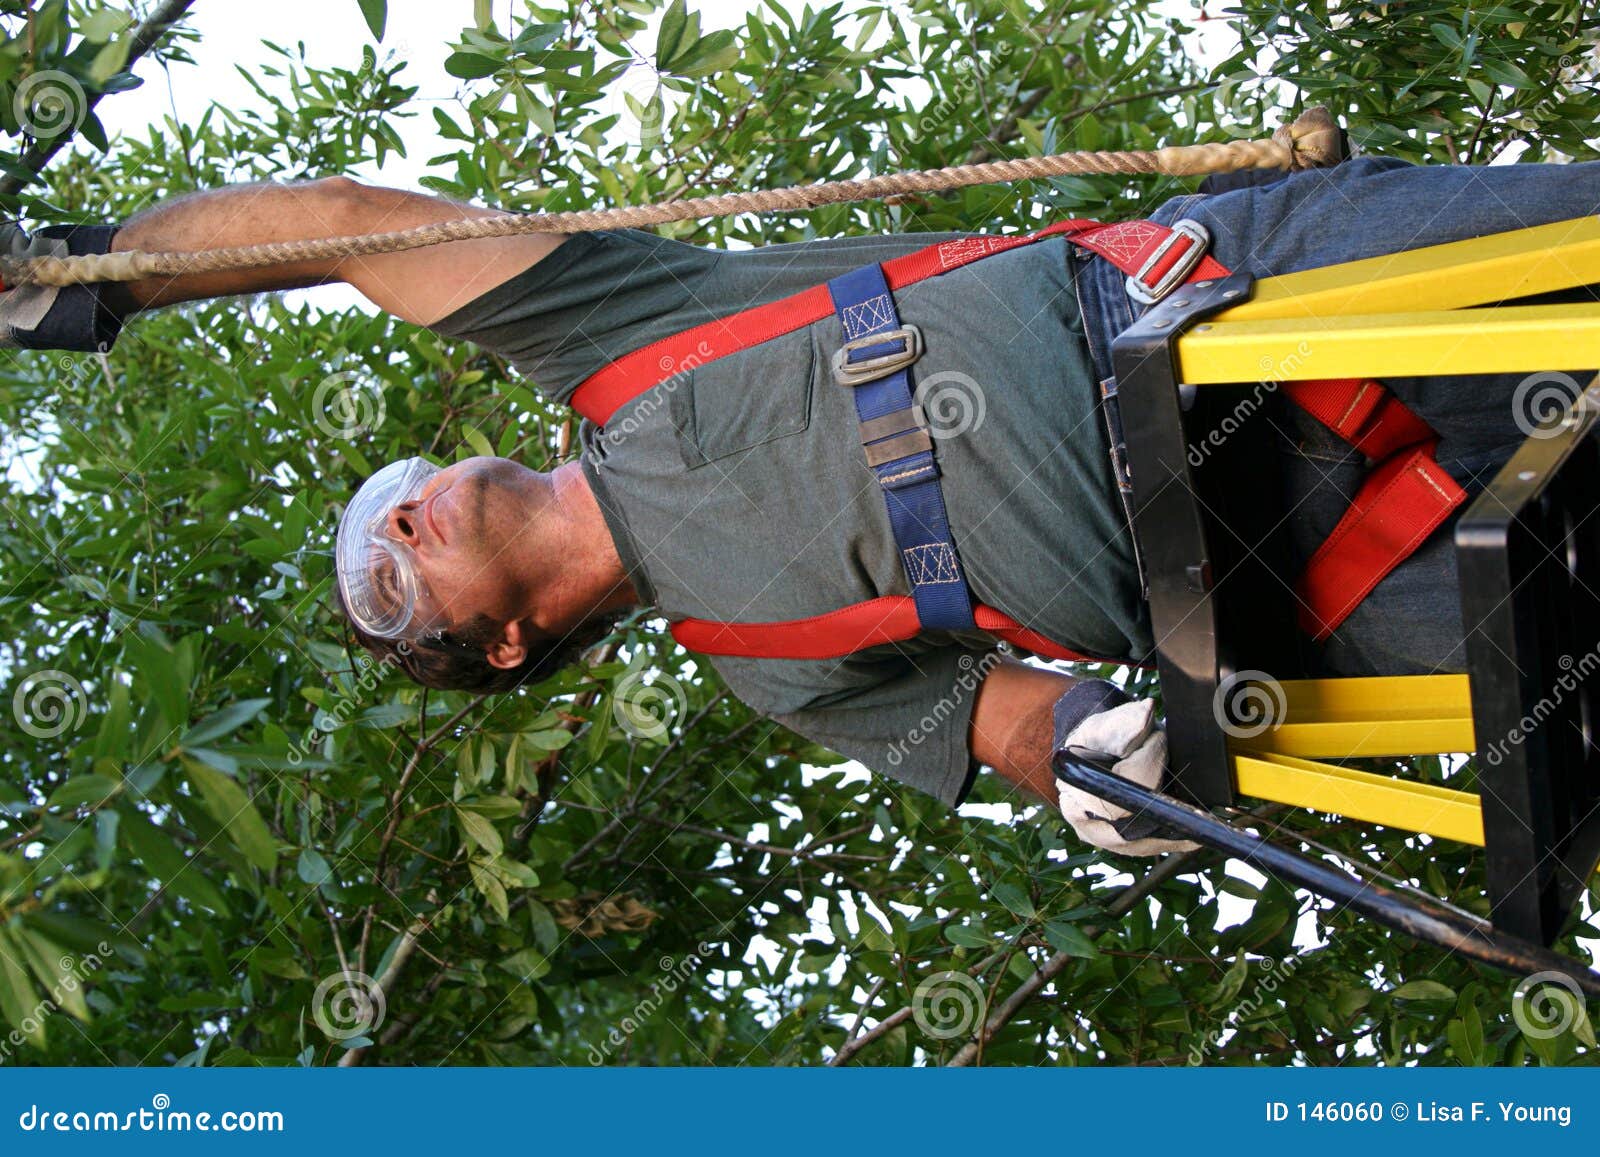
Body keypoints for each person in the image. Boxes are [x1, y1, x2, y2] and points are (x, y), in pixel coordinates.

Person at [6, 154, 1595, 857]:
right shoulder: (759, 661)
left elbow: (348, 227)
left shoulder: (608, 338)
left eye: (389, 508)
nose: (393, 528)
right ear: (498, 650)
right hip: (1284, 590)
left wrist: (86, 282)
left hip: (1237, 304)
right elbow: (1010, 724)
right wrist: (1094, 772)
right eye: (382, 584)